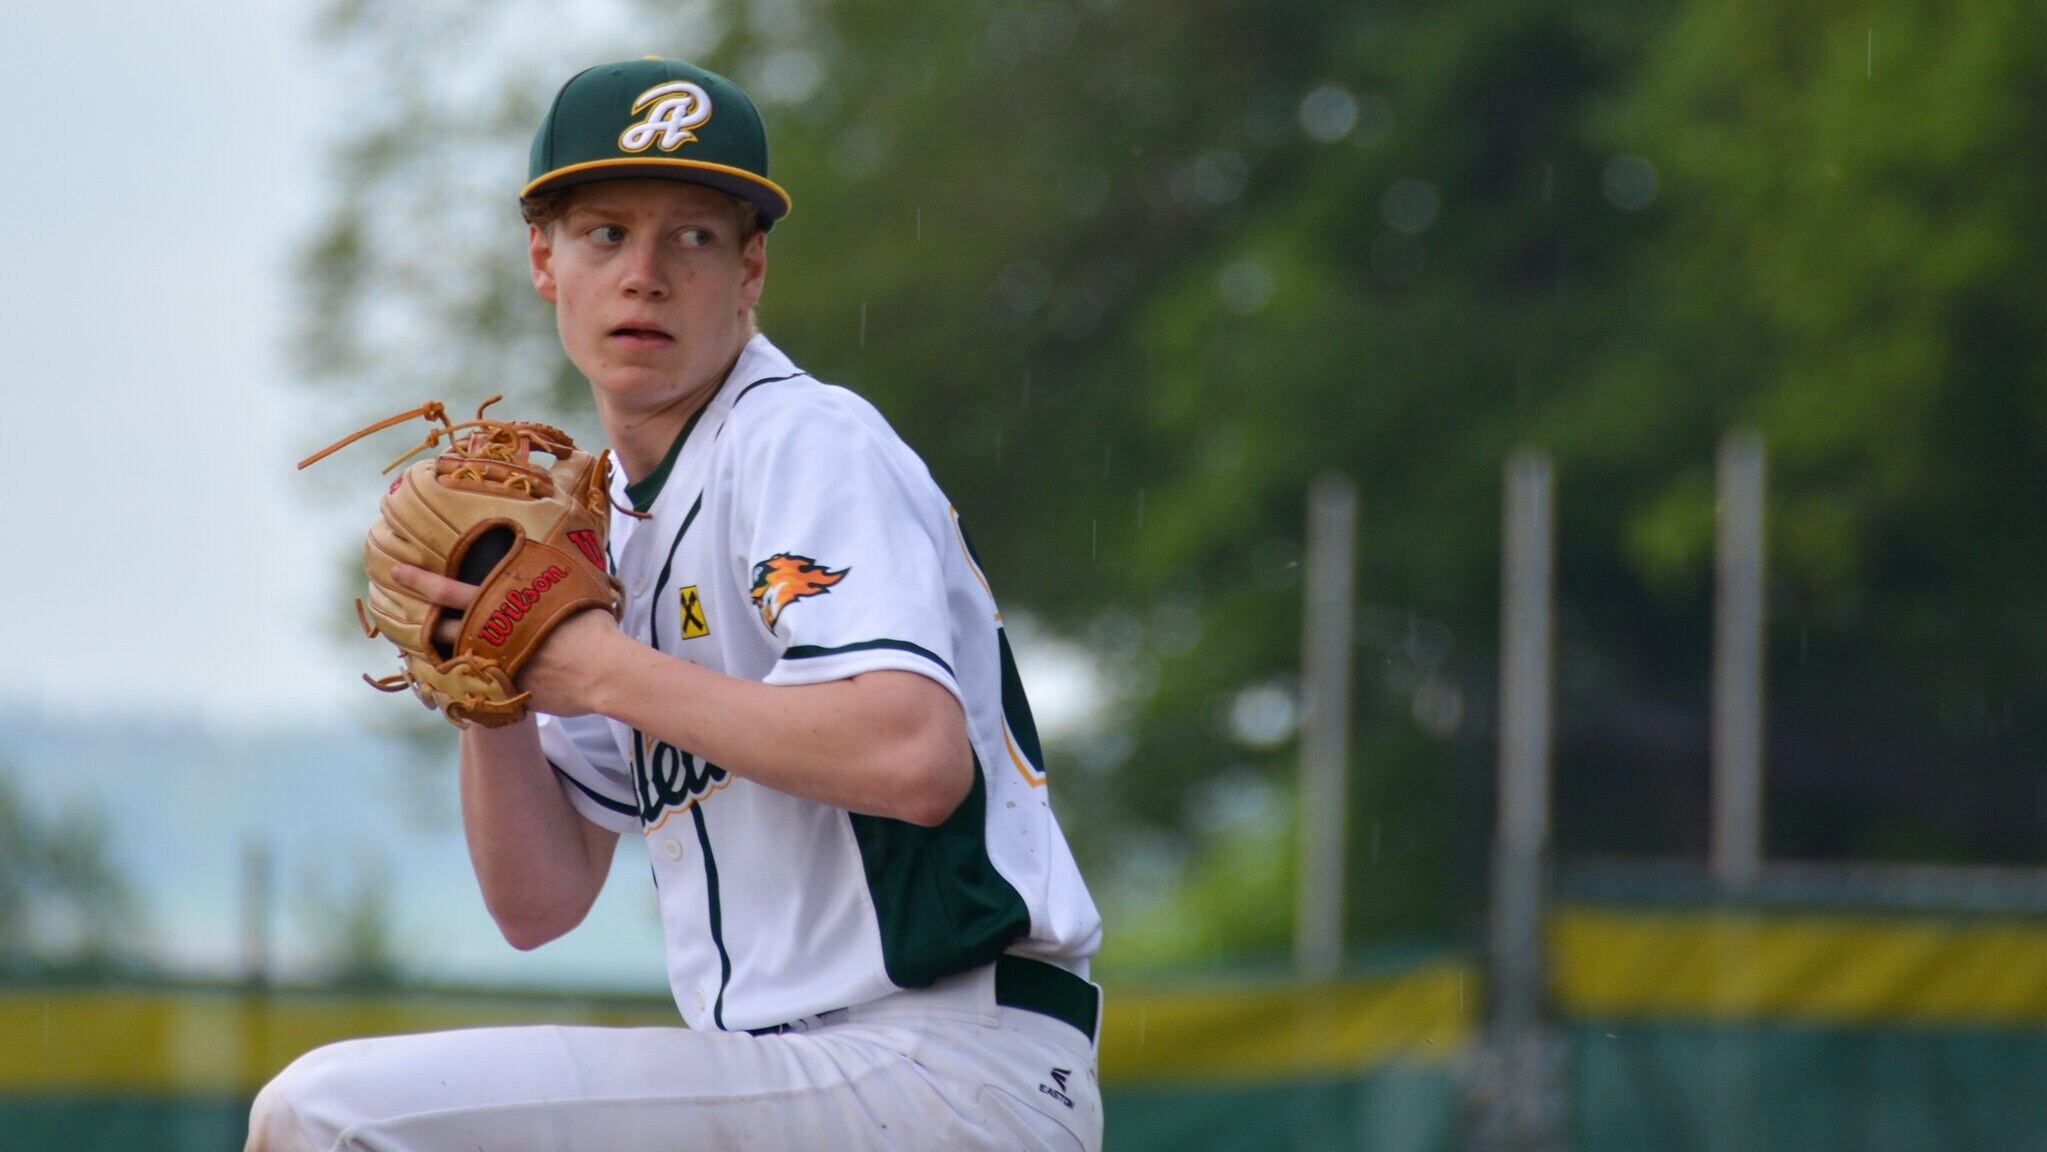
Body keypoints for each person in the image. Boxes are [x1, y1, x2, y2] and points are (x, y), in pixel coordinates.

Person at [247, 56, 1104, 1152]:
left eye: (691, 237)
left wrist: (588, 665)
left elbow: (913, 757)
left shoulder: (799, 438)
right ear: (542, 260)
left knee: (326, 1114)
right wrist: (491, 683)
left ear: (750, 270)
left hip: (938, 1068)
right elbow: (538, 902)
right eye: (606, 231)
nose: (644, 273)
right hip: (800, 1074)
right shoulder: (611, 537)